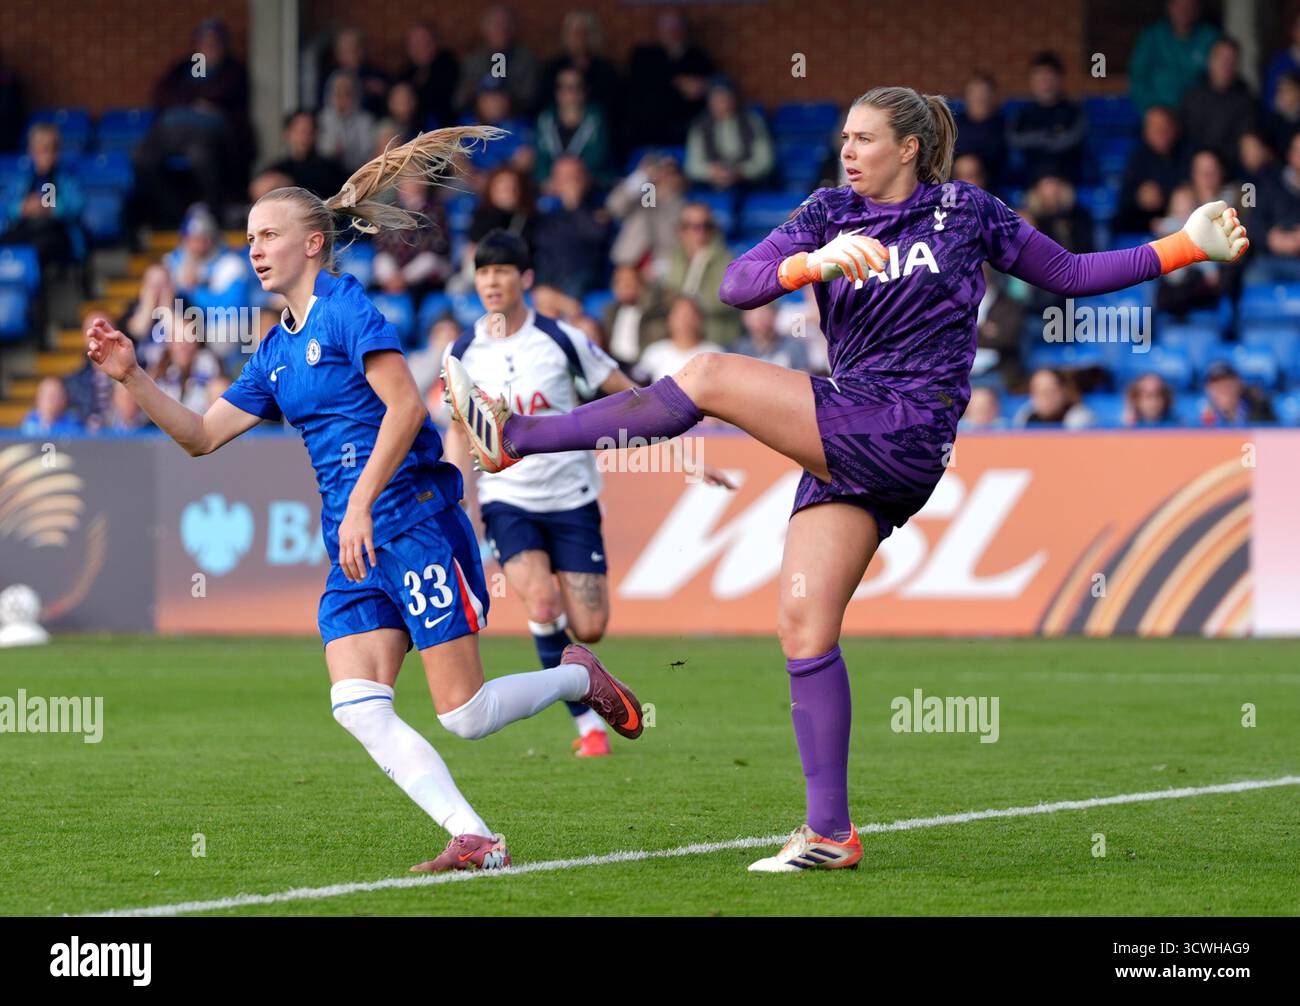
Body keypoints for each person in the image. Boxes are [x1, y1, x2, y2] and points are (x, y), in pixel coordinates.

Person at [442, 85, 1249, 873]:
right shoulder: (829, 213)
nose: (848, 152)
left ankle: (517, 438)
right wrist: (807, 263)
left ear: (910, 149)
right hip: (849, 430)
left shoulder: (965, 211)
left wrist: (1182, 246)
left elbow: (1070, 275)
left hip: (905, 424)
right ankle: (831, 833)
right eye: (843, 140)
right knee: (802, 625)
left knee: (713, 374)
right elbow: (736, 285)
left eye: (864, 139)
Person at [84, 128, 644, 874]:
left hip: (412, 521)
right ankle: (475, 838)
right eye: (248, 237)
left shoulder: (347, 311)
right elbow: (199, 435)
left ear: (314, 243)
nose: (254, 249)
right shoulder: (276, 350)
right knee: (354, 702)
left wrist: (358, 505)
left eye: (269, 234)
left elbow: (407, 407)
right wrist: (132, 378)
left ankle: (579, 676)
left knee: (464, 716)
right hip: (355, 544)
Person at [442, 229, 734, 756]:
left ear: (524, 279)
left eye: (502, 271)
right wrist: (454, 489)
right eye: (483, 272)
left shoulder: (562, 339)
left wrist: (683, 456)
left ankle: (583, 669)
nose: (491, 281)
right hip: (508, 500)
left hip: (572, 496)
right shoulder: (461, 352)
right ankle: (588, 728)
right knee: (540, 600)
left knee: (590, 627)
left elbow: (630, 397)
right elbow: (458, 428)